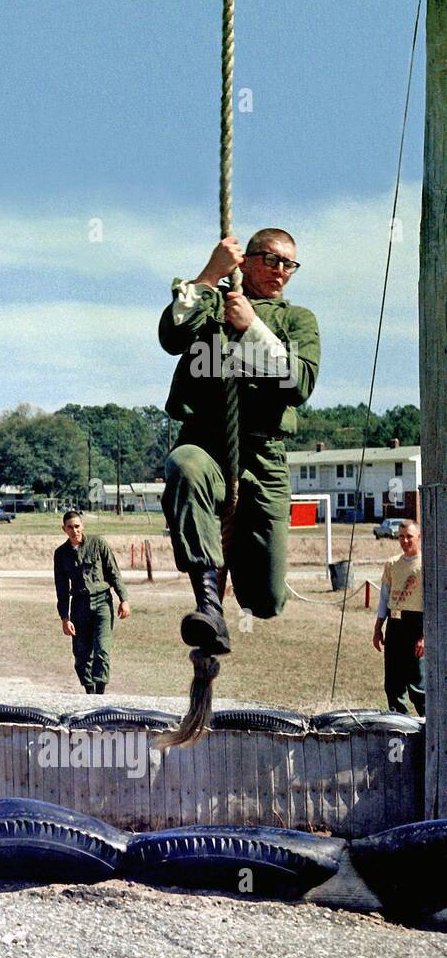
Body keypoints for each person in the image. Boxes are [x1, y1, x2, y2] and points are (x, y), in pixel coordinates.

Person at [158, 229, 321, 655]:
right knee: (185, 467)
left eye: (289, 264)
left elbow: (299, 383)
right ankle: (209, 605)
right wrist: (210, 274)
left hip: (264, 455)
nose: (281, 272)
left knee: (265, 601)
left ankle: (242, 591)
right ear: (245, 261)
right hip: (206, 443)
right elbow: (170, 335)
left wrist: (251, 326)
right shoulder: (210, 303)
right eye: (271, 260)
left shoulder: (296, 320)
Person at [54, 510, 131, 695]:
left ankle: (100, 693)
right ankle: (89, 693)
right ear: (64, 529)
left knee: (102, 650)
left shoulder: (98, 544)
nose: (75, 531)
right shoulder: (61, 554)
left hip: (102, 602)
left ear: (83, 526)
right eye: (70, 527)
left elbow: (114, 573)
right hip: (79, 605)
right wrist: (65, 618)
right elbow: (62, 589)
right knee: (81, 655)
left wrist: (124, 599)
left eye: (77, 526)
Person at [373, 520, 425, 716]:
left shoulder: (425, 564)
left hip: (416, 624)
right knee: (393, 684)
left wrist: (424, 636)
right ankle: (399, 727)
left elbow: (433, 602)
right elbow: (384, 598)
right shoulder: (392, 564)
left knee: (418, 686)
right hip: (395, 625)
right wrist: (378, 627)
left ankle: (428, 730)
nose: (405, 540)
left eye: (409, 536)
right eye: (401, 536)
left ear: (418, 537)